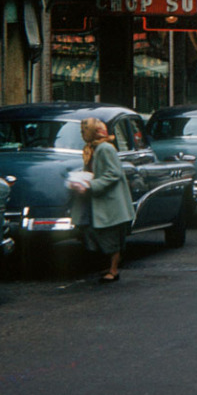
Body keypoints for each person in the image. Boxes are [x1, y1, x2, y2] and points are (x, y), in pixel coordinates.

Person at [69, 117, 136, 283]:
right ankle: (108, 266)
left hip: (110, 201)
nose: (83, 134)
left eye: (85, 130)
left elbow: (114, 174)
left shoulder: (105, 148)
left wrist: (92, 185)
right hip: (98, 200)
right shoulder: (93, 148)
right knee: (95, 232)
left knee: (111, 235)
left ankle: (113, 270)